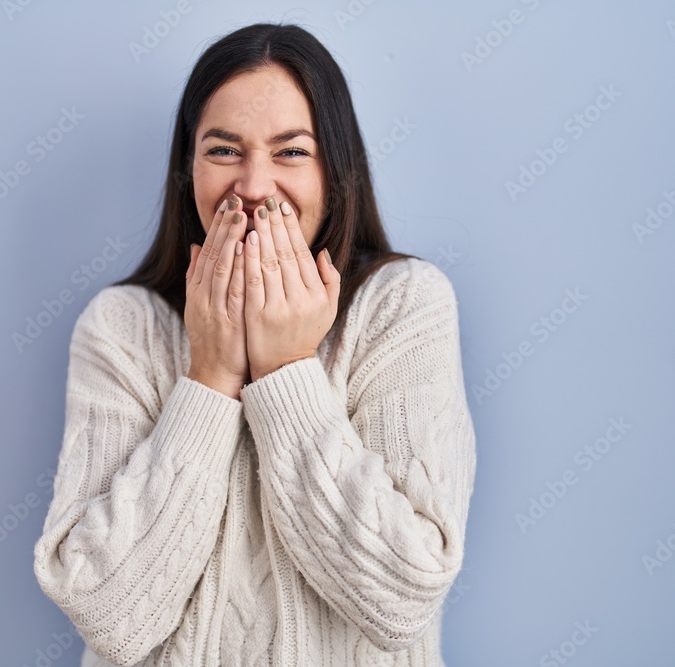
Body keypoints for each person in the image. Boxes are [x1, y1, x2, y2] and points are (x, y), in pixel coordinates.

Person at [33, 21, 477, 667]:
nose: (254, 186)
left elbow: (400, 598)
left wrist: (287, 369)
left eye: (291, 151)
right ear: (189, 170)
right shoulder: (123, 327)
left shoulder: (404, 306)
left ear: (337, 171)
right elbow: (108, 614)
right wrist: (210, 376)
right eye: (224, 150)